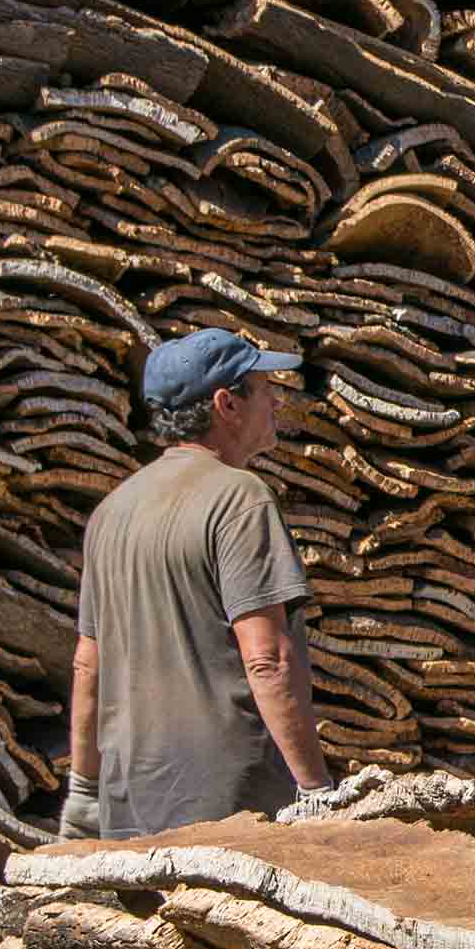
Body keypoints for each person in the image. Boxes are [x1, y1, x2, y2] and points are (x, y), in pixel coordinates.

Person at [60, 327, 335, 840]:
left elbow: (87, 663)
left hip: (130, 813)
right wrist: (317, 791)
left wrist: (82, 791)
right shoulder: (239, 499)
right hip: (232, 811)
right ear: (226, 403)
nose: (275, 398)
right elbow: (267, 659)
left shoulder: (112, 512)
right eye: (264, 386)